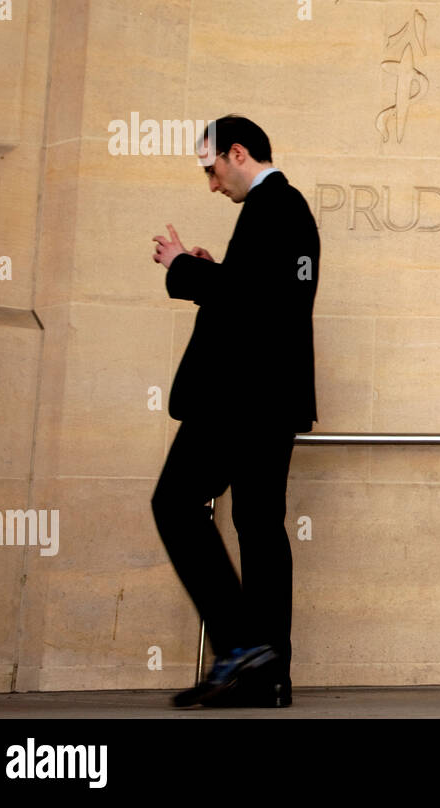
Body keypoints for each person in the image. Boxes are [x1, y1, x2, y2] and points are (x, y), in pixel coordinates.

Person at [150, 115, 320, 708]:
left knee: (174, 502)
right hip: (268, 401)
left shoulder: (275, 206)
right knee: (259, 528)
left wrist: (181, 266)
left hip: (239, 399)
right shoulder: (286, 209)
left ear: (237, 152)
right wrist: (215, 272)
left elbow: (254, 303)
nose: (213, 184)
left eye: (212, 168)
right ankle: (267, 675)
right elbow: (267, 298)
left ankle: (241, 646)